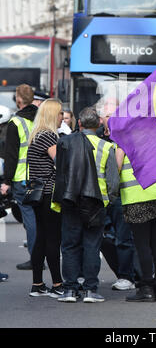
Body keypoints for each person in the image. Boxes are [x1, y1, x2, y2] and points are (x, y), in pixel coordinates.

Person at [53, 106, 119, 303]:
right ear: (99, 124)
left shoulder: (66, 142)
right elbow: (113, 182)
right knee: (92, 245)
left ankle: (70, 289)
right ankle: (91, 289)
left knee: (70, 245)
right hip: (96, 203)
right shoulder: (107, 147)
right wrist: (109, 201)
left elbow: (60, 171)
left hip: (71, 200)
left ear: (79, 124)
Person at [116, 147, 156, 302]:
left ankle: (146, 288)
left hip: (136, 197)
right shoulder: (153, 141)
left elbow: (117, 168)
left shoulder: (123, 143)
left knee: (142, 244)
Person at [98, 100, 138, 291]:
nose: (110, 118)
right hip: (102, 195)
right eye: (107, 115)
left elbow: (118, 166)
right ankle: (125, 273)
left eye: (114, 114)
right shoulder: (99, 137)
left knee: (123, 238)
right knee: (104, 238)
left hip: (122, 195)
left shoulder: (123, 137)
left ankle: (126, 277)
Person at [27, 98, 63, 297]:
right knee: (52, 239)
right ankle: (57, 284)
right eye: (60, 113)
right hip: (49, 192)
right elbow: (60, 162)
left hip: (37, 194)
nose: (62, 117)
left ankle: (37, 283)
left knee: (41, 238)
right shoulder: (49, 137)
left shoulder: (36, 135)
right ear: (52, 115)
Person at [0, 84, 38, 270]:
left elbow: (11, 156)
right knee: (41, 219)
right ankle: (45, 255)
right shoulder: (40, 120)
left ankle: (36, 258)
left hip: (22, 179)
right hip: (41, 176)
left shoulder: (15, 123)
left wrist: (7, 181)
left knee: (30, 220)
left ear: (19, 100)